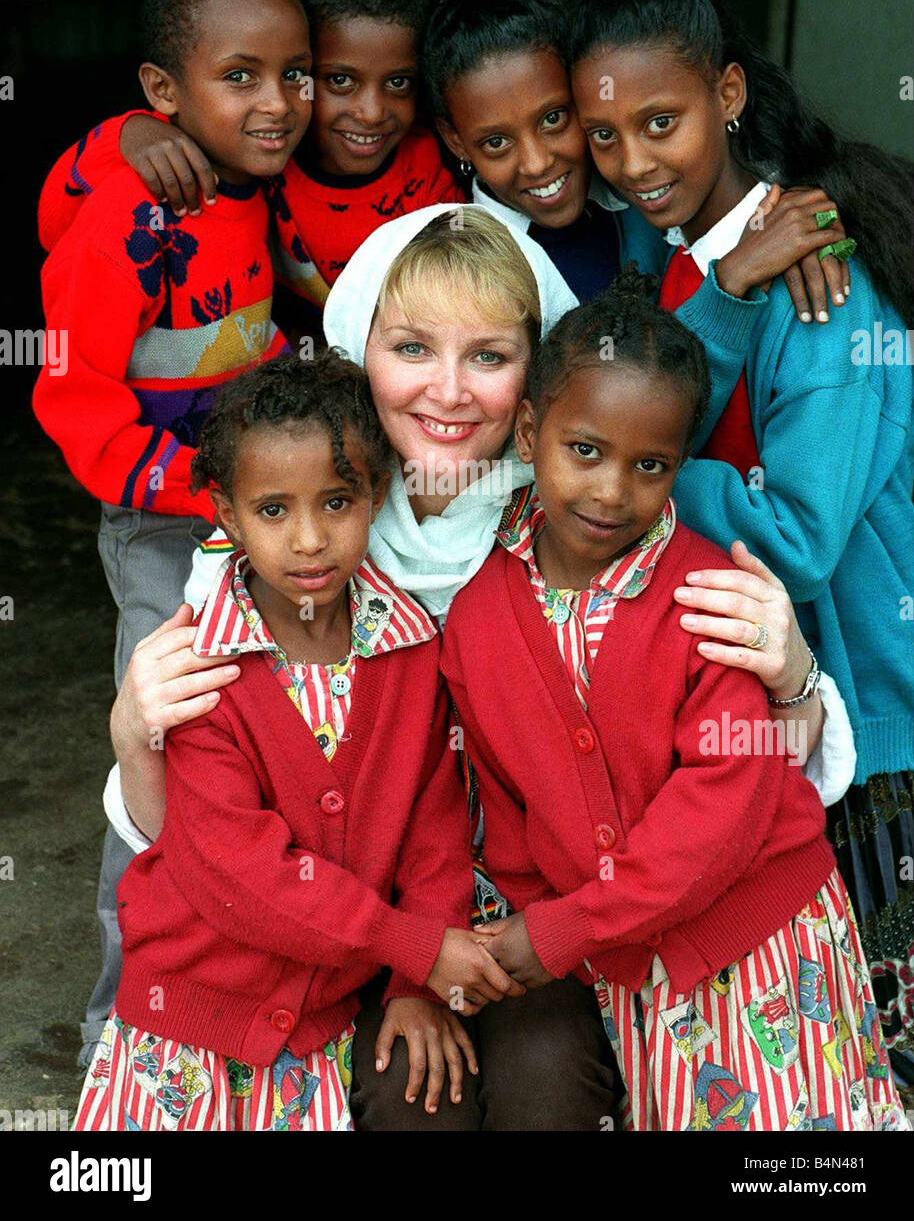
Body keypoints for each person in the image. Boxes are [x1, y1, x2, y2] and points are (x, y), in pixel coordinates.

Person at [105, 207, 857, 1127]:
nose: (449, 393)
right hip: (357, 919)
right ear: (357, 349)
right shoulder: (290, 529)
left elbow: (645, 390)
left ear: (535, 390)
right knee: (410, 1092)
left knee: (546, 1074)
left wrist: (797, 681)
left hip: (576, 918)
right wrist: (132, 738)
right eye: (413, 348)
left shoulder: (580, 517)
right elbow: (208, 829)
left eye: (490, 357)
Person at [569, 0, 914, 1100]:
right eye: (603, 134)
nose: (630, 161)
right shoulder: (668, 248)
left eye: (658, 124)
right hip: (778, 712)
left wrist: (627, 489)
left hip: (872, 733)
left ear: (726, 94)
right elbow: (659, 390)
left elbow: (802, 532)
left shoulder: (823, 291)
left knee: (878, 1045)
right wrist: (717, 295)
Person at [441, 275, 908, 1130]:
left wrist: (559, 932)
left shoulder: (710, 599)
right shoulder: (477, 619)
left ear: (679, 468)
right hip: (629, 966)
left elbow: (717, 820)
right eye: (585, 450)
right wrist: (547, 925)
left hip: (765, 950)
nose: (612, 491)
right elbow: (509, 821)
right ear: (532, 431)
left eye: (649, 465)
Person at [73, 350, 514, 1131]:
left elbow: (436, 830)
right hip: (183, 1027)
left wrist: (415, 986)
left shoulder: (410, 652)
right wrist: (414, 946)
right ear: (227, 514)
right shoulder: (203, 671)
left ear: (377, 496)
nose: (310, 539)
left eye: (336, 501)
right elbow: (242, 878)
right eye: (274, 510)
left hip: (317, 1035)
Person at [32, 0, 315, 1070]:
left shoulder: (256, 186)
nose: (278, 102)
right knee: (160, 746)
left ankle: (264, 993)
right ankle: (122, 1030)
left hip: (261, 509)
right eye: (238, 76)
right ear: (165, 95)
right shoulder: (129, 212)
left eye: (295, 72)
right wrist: (198, 489)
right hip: (166, 522)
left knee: (272, 738)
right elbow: (72, 395)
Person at [42, 0, 463, 336]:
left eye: (399, 82)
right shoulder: (267, 157)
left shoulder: (425, 170)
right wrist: (130, 130)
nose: (371, 112)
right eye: (337, 80)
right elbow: (59, 219)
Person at [422, 0, 851, 322]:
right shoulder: (464, 266)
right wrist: (732, 280)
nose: (536, 163)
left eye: (554, 119)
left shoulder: (643, 207)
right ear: (456, 140)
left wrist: (788, 221)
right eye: (496, 142)